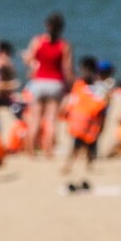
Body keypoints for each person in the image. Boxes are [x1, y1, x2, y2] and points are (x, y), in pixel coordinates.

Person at [26, 13, 72, 152]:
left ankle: (30, 152)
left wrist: (32, 66)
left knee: (35, 119)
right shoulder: (64, 45)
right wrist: (71, 86)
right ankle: (48, 152)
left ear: (47, 25)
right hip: (56, 83)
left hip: (39, 82)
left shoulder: (37, 41)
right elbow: (67, 69)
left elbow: (29, 59)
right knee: (51, 120)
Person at [60, 69, 108, 182]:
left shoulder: (79, 88)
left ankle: (70, 165)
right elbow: (102, 106)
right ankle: (87, 165)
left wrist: (65, 114)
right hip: (90, 123)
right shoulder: (96, 91)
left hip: (80, 123)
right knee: (88, 145)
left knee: (76, 146)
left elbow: (71, 103)